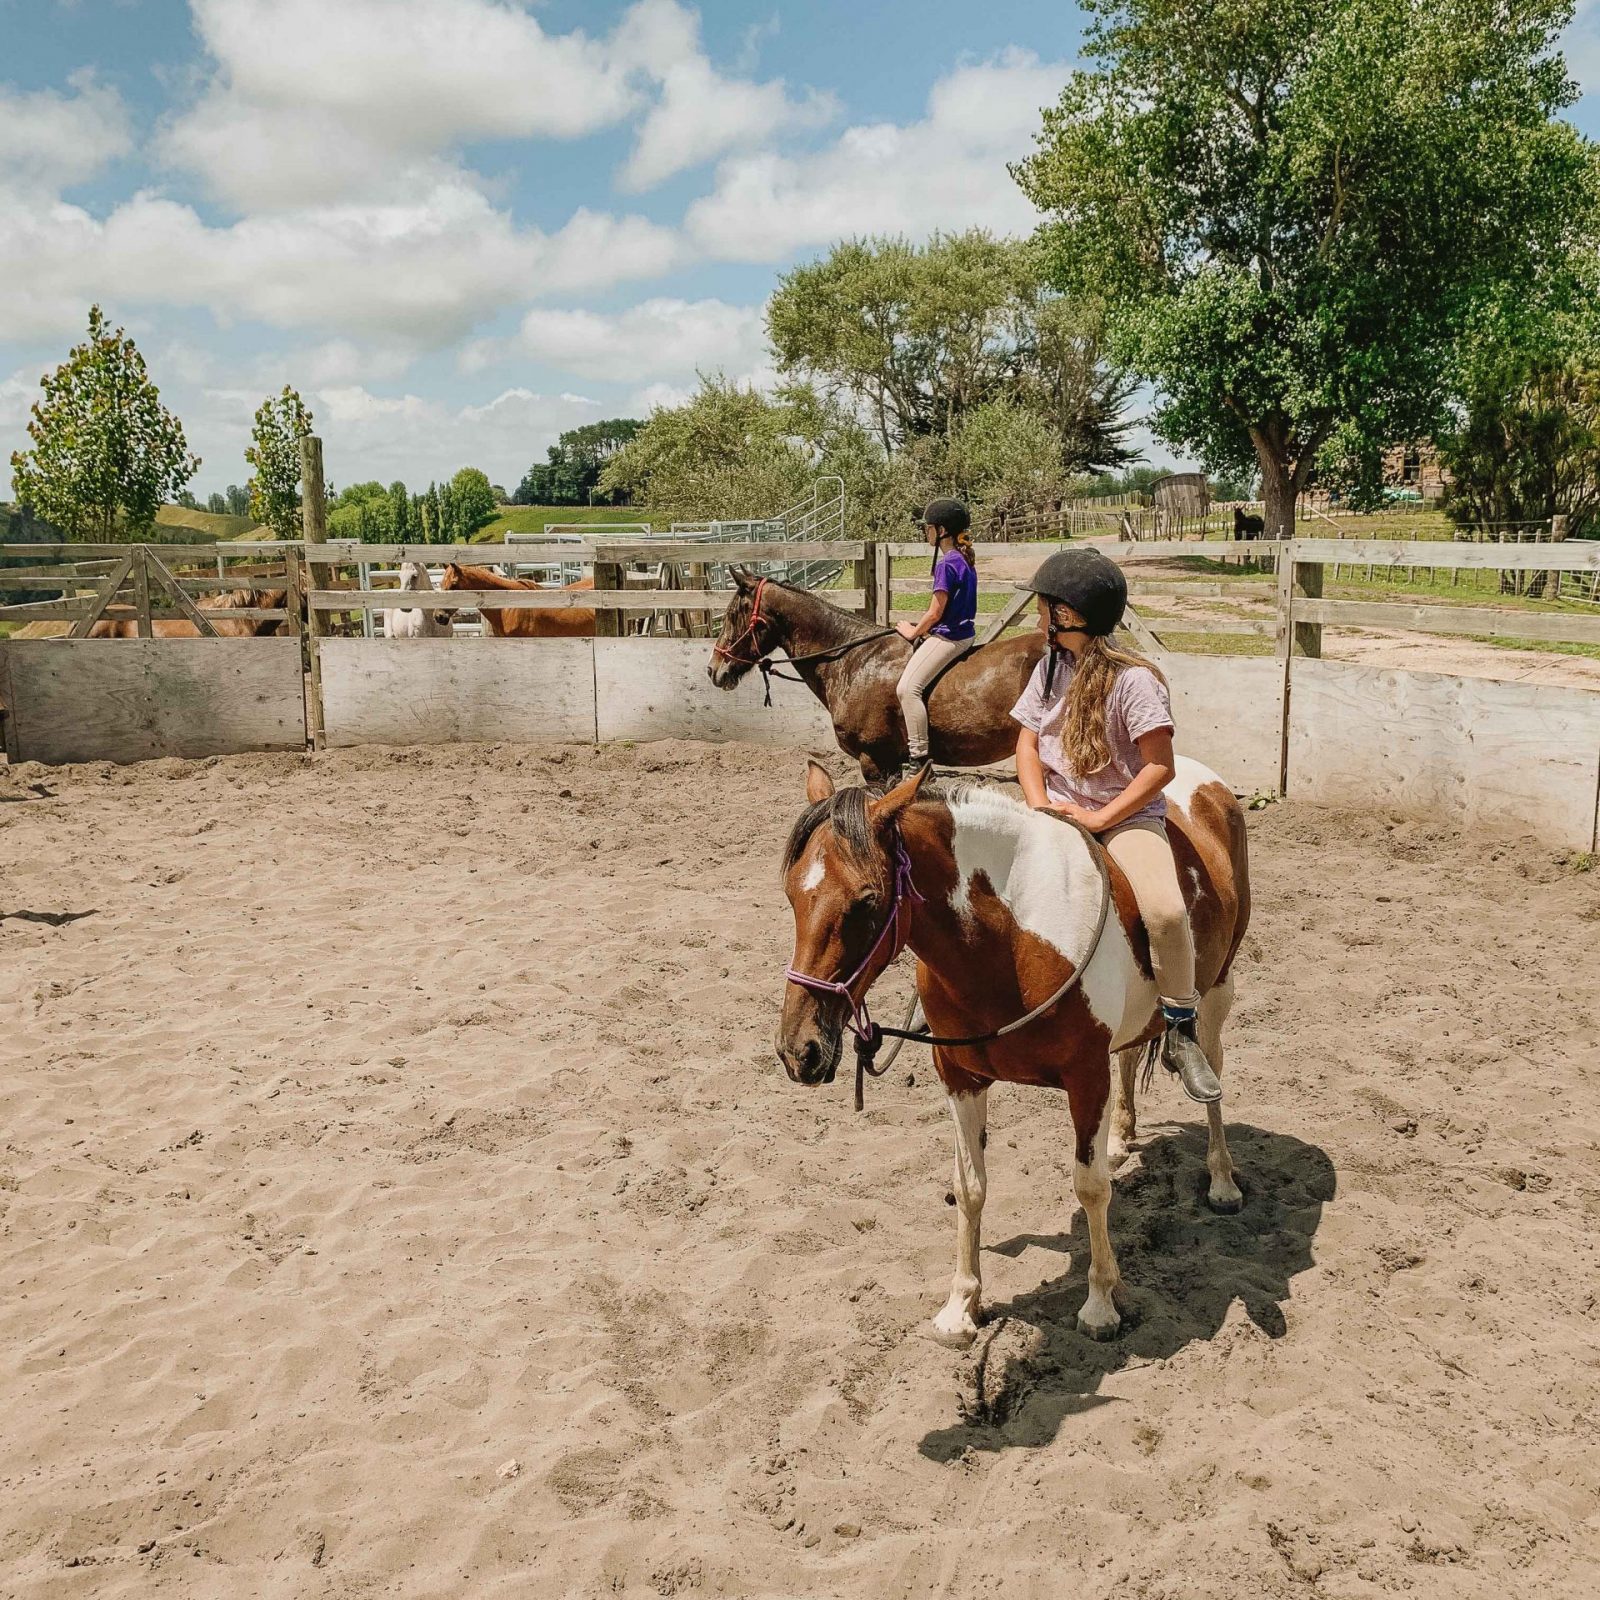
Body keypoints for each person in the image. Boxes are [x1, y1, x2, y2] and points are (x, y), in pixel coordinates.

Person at [1008, 548, 1222, 1104]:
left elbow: (1160, 767)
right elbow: (1027, 743)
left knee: (1166, 911)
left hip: (1122, 817)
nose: (1038, 616)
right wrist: (1037, 804)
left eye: (1044, 606)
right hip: (1053, 808)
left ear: (1071, 615)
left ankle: (1180, 1027)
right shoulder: (1048, 668)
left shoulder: (1135, 682)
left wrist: (1099, 817)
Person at [894, 498, 978, 769]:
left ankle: (918, 758)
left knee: (908, 689)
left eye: (929, 527)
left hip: (950, 636)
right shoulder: (963, 559)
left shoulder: (946, 564)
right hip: (965, 631)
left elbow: (935, 613)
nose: (926, 532)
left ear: (942, 530)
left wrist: (912, 632)